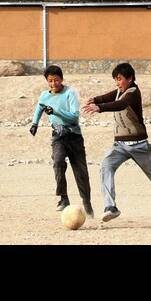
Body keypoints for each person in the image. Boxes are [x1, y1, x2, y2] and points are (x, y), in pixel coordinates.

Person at [83, 62, 151, 224]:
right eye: (115, 79)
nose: (117, 83)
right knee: (106, 166)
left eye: (120, 79)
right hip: (120, 145)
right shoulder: (119, 91)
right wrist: (94, 100)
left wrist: (99, 107)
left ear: (129, 79)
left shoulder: (133, 93)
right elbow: (109, 96)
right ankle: (110, 207)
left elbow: (120, 104)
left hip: (139, 145)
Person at [29, 64, 93, 216]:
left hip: (74, 136)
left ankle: (87, 202)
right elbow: (39, 108)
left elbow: (74, 116)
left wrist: (55, 111)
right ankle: (63, 198)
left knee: (81, 172)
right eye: (50, 81)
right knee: (58, 162)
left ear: (62, 79)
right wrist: (34, 124)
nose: (54, 84)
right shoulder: (45, 96)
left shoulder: (70, 93)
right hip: (58, 136)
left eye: (56, 80)